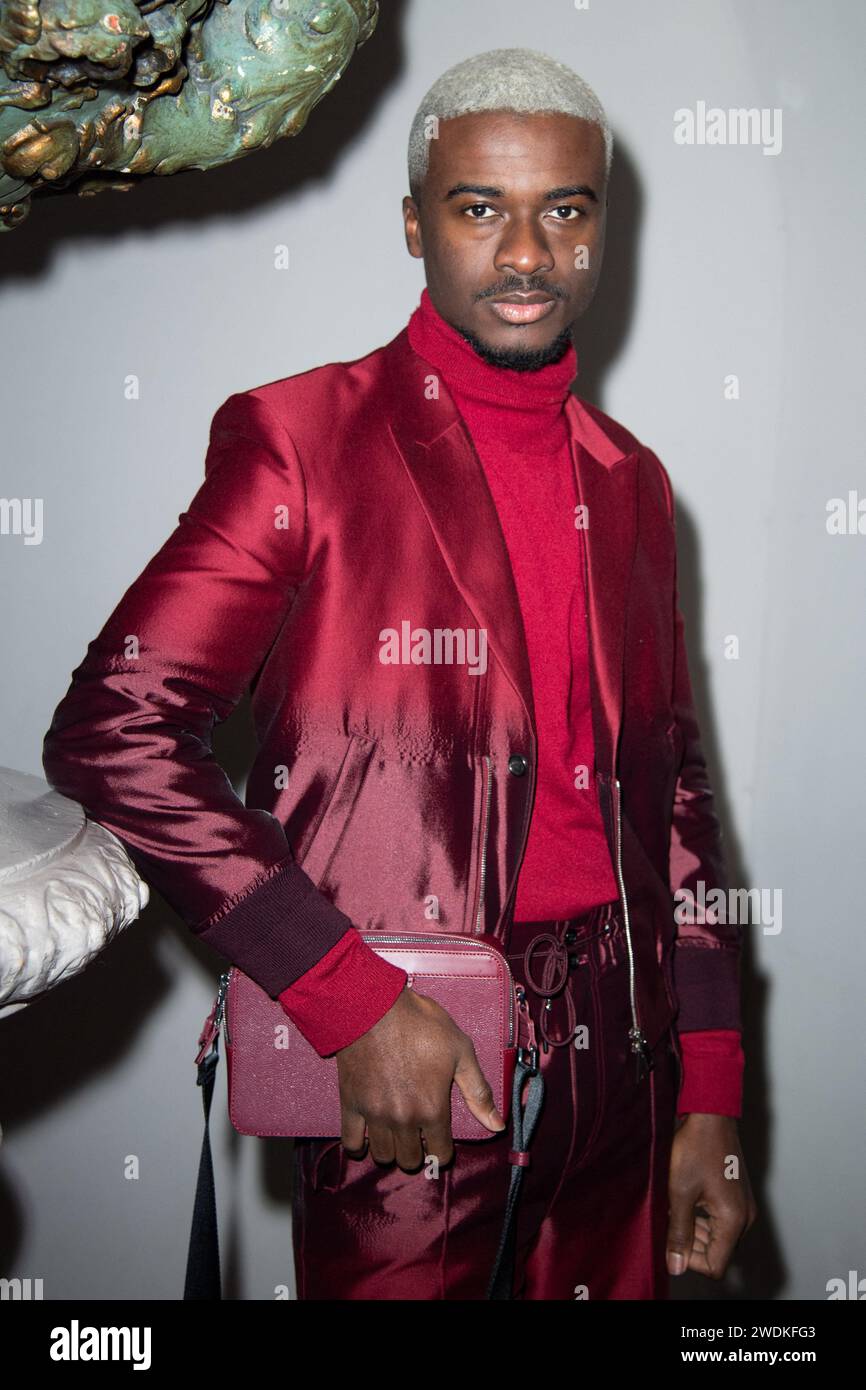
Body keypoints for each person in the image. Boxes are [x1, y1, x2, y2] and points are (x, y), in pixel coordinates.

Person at [42, 47, 757, 1300]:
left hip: (624, 1062)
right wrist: (340, 994)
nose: (527, 255)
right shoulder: (302, 439)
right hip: (412, 1053)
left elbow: (675, 794)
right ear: (415, 223)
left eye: (564, 211)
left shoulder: (631, 480)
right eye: (480, 208)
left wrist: (707, 1087)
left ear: (602, 223)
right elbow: (115, 726)